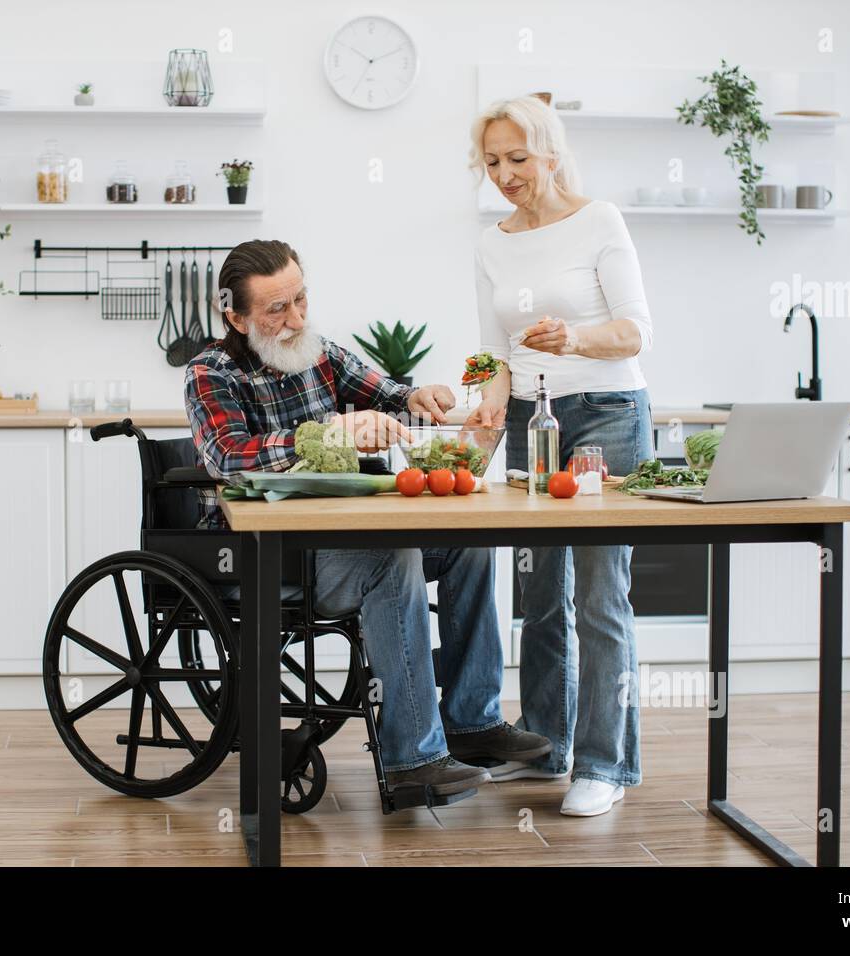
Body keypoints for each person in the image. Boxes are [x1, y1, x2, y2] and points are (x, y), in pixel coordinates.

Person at [184, 238, 552, 799]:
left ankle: (473, 722)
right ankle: (412, 760)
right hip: (272, 557)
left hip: (340, 542)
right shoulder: (210, 373)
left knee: (469, 544)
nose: (295, 319)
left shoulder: (319, 351)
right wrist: (334, 431)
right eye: (275, 310)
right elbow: (229, 457)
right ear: (234, 315)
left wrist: (422, 397)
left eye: (300, 299)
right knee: (392, 555)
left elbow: (391, 393)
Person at [463, 96, 655, 817]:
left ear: (549, 152)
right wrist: (483, 410)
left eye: (517, 158)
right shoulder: (492, 243)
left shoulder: (600, 219)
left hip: (606, 413)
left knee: (599, 596)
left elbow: (635, 332)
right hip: (526, 421)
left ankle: (605, 763)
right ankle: (548, 744)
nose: (505, 174)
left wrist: (573, 339)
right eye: (491, 163)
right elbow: (492, 352)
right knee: (541, 595)